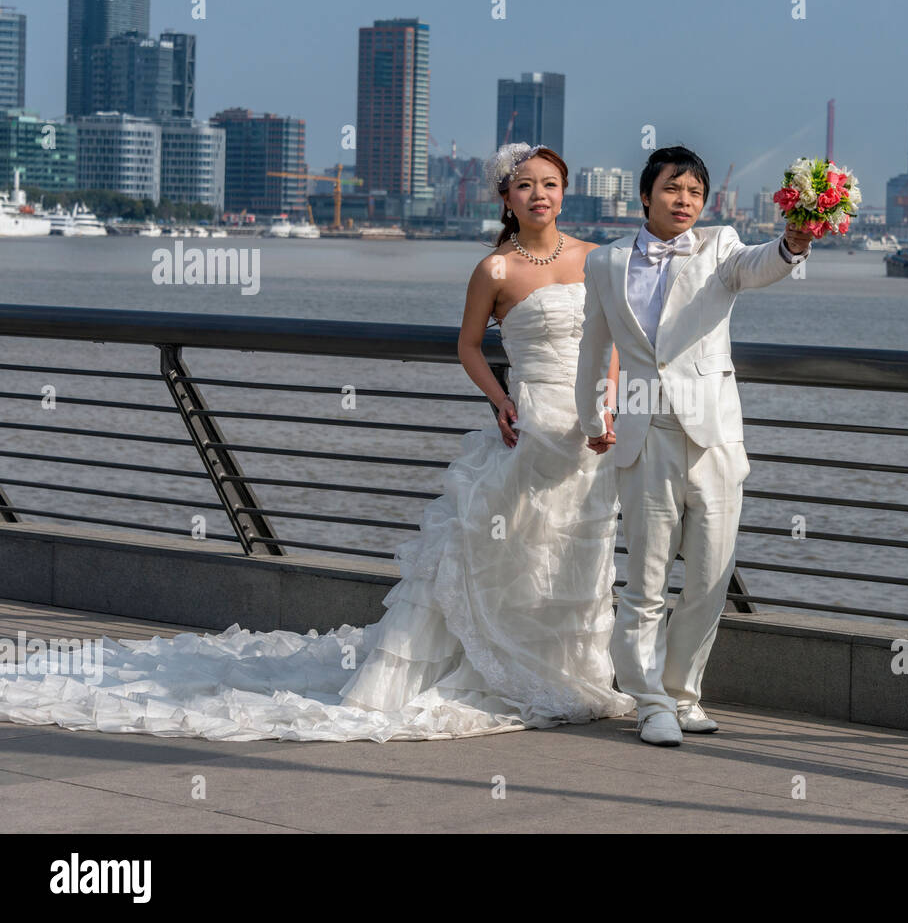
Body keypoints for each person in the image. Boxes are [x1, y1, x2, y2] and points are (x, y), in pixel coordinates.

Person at [0, 143, 635, 741]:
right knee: (509, 553)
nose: (539, 195)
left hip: (586, 432)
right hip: (523, 426)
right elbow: (468, 346)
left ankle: (566, 672)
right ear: (505, 197)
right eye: (525, 186)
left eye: (549, 184)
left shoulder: (595, 258)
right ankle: (504, 672)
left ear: (565, 192)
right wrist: (500, 401)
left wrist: (603, 404)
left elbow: (607, 343)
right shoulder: (495, 267)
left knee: (574, 551)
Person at [575, 145, 813, 747]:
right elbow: (592, 347)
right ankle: (648, 701)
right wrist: (590, 417)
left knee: (709, 579)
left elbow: (764, 264)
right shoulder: (604, 263)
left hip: (713, 440)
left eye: (695, 193)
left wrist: (796, 242)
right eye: (673, 190)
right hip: (643, 436)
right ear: (645, 195)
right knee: (645, 583)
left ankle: (683, 695)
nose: (684, 202)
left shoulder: (721, 248)